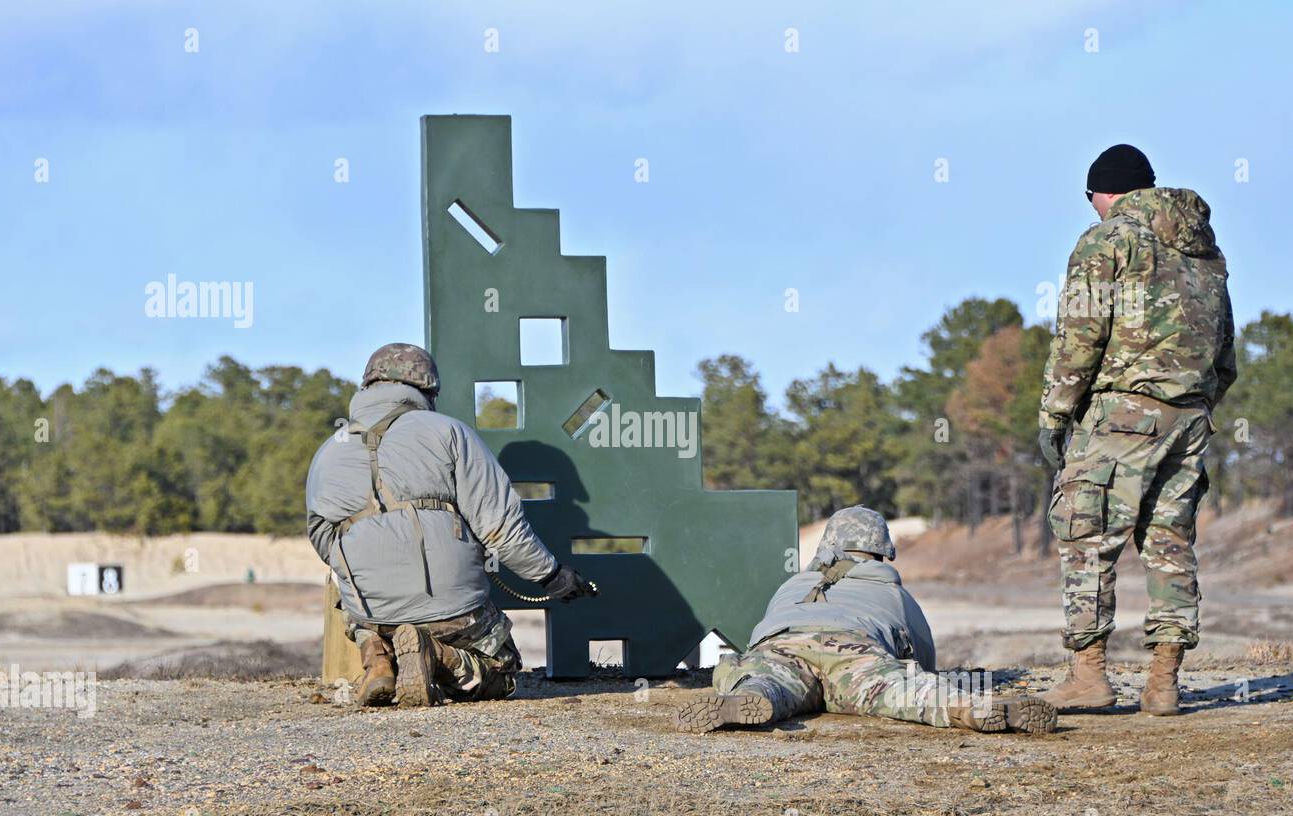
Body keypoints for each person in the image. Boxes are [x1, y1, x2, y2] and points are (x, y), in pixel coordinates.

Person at [1038, 145, 1236, 716]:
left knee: (1086, 534)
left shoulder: (1107, 241)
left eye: (1089, 197)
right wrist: (1191, 401)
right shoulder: (1205, 251)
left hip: (1123, 413)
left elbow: (1079, 334)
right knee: (1170, 544)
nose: (1091, 208)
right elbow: (1225, 354)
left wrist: (1056, 412)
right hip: (1190, 415)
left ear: (1103, 192)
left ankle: (1088, 676)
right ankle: (1163, 683)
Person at [306, 343, 594, 707]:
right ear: (427, 390)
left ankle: (378, 658)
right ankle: (438, 656)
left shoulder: (328, 451)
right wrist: (553, 577)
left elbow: (322, 540)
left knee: (350, 598)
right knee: (503, 671)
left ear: (367, 387)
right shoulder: (449, 432)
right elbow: (501, 529)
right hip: (454, 612)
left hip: (371, 612)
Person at [675, 506, 1056, 734]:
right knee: (910, 692)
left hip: (785, 644)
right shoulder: (892, 593)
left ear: (827, 545)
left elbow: (764, 632)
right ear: (882, 552)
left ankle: (753, 696)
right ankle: (968, 707)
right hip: (855, 648)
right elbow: (921, 655)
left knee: (762, 677)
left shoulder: (794, 583)